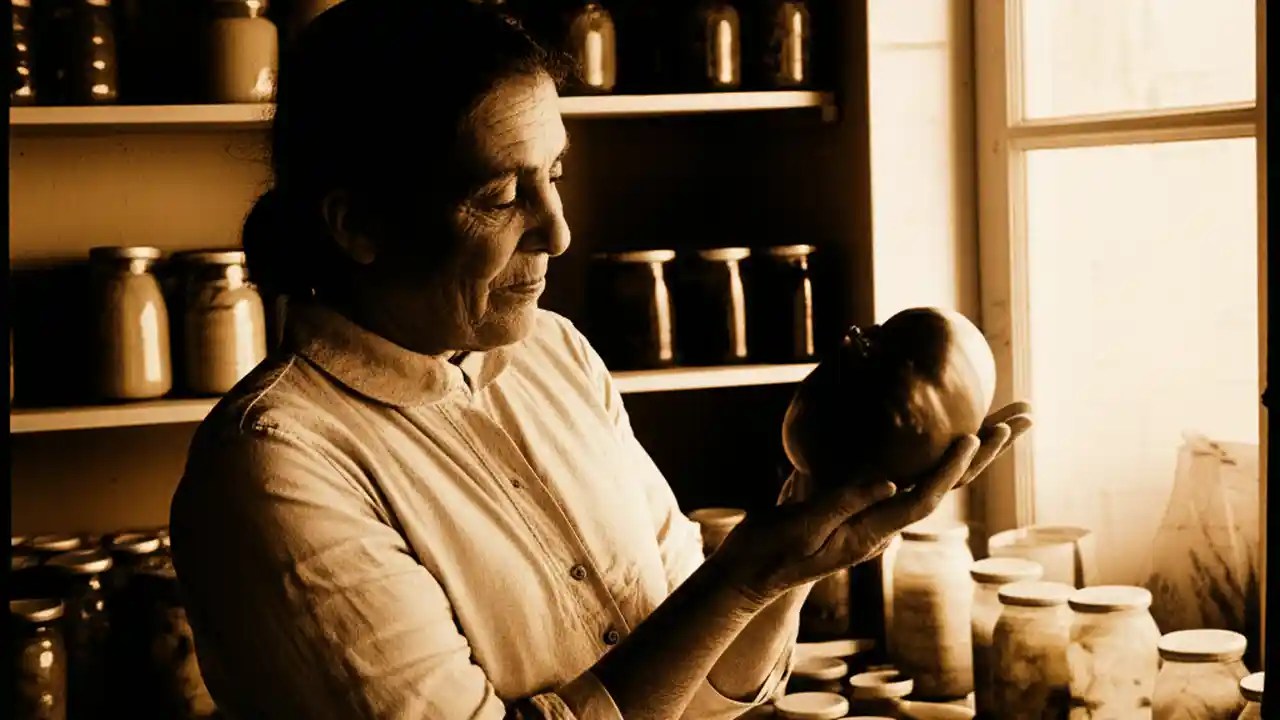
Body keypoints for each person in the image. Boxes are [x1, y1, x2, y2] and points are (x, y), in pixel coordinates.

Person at [168, 2, 1033, 719]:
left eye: (556, 176)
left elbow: (703, 696)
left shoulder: (556, 356)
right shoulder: (275, 467)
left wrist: (800, 544)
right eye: (501, 195)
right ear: (357, 224)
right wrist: (749, 573)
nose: (559, 231)